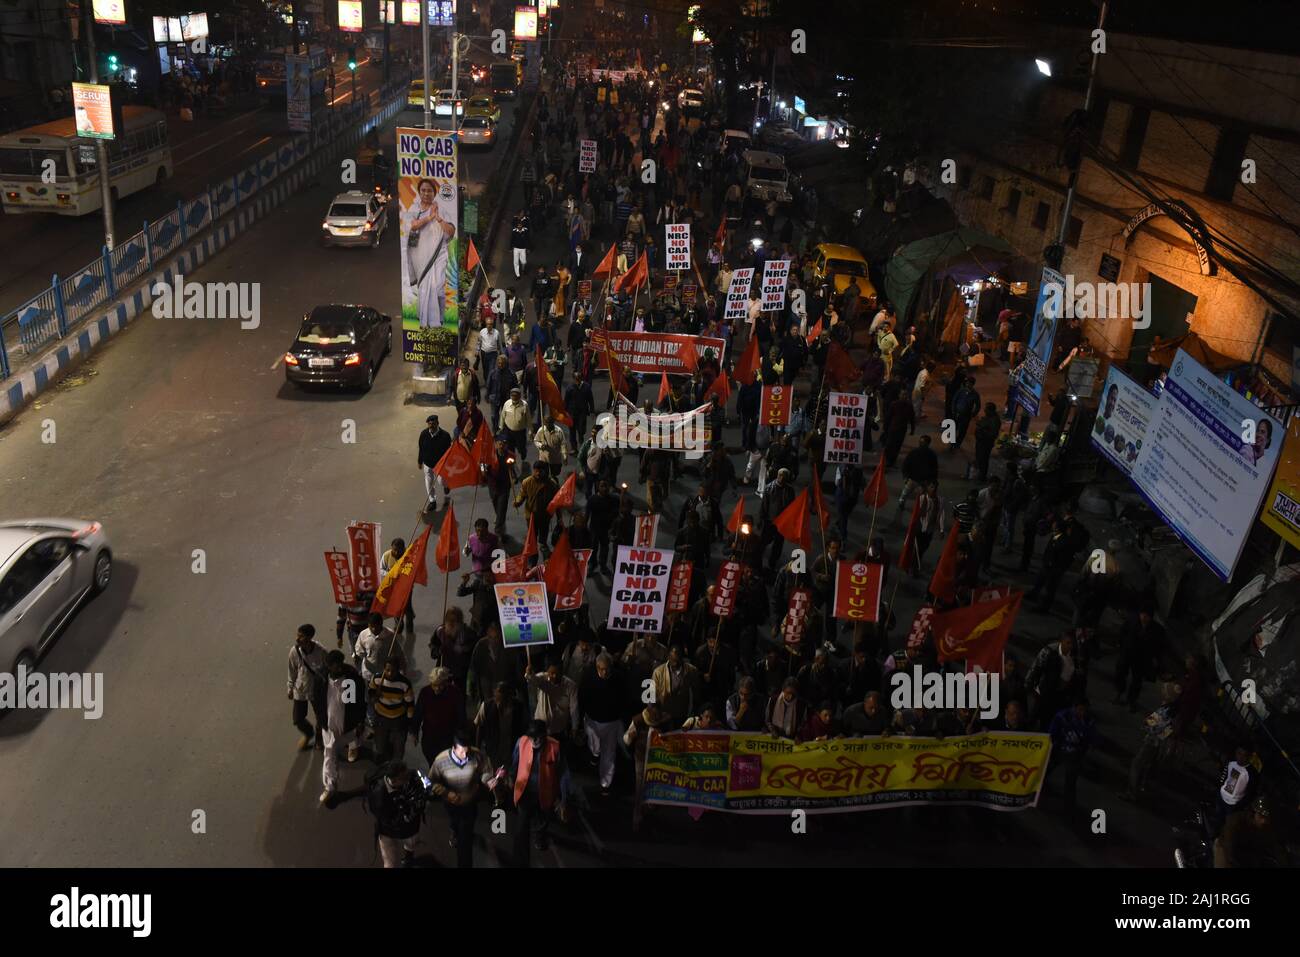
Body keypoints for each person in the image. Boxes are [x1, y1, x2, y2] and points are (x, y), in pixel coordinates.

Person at [427, 731, 502, 867]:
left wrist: (488, 780)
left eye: (467, 751)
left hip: (470, 803)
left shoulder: (477, 755)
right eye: (461, 752)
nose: (465, 755)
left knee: (465, 841)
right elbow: (430, 781)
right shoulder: (440, 760)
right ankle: (454, 830)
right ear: (453, 748)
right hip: (451, 803)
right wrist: (445, 792)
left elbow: (485, 771)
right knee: (455, 824)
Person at [509, 719, 572, 865]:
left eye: (537, 736)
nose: (534, 740)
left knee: (541, 821)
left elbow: (563, 774)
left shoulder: (555, 747)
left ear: (545, 734)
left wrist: (563, 799)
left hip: (545, 794)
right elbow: (514, 763)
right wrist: (510, 778)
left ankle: (539, 836)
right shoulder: (521, 742)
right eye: (532, 737)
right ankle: (521, 861)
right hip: (524, 792)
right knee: (521, 829)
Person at [404, 178, 456, 329]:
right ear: (419, 192)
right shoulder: (414, 209)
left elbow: (451, 232)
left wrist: (438, 218)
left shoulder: (442, 210)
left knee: (437, 287)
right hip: (420, 256)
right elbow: (413, 226)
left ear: (434, 193)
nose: (426, 193)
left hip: (438, 255)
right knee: (426, 288)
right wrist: (429, 217)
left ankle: (436, 320)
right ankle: (428, 322)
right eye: (423, 190)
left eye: (429, 191)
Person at [320, 650, 366, 804]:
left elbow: (354, 704)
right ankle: (330, 786)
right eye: (335, 666)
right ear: (328, 666)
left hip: (346, 724)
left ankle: (354, 744)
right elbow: (317, 702)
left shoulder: (349, 680)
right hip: (329, 725)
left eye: (340, 665)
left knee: (352, 737)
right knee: (329, 753)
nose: (339, 668)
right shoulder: (321, 678)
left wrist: (359, 722)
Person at [578, 653, 625, 795]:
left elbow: (624, 697)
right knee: (596, 748)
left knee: (609, 753)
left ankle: (606, 783)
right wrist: (580, 720)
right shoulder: (588, 677)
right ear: (597, 667)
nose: (605, 672)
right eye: (602, 669)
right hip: (593, 721)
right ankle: (594, 755)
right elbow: (582, 698)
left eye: (607, 669)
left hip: (612, 722)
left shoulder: (618, 678)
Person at [365, 761, 427, 868]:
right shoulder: (379, 795)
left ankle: (409, 856)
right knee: (390, 864)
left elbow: (426, 783)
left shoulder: (409, 775)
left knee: (411, 842)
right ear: (393, 780)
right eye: (404, 778)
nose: (409, 778)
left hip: (410, 827)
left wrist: (426, 789)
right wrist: (406, 811)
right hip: (388, 832)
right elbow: (387, 819)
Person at [1026, 631, 1087, 729]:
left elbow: (1078, 674)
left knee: (1051, 720)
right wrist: (1031, 685)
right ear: (1061, 641)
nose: (1070, 646)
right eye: (1068, 643)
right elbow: (1036, 667)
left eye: (1072, 643)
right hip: (1045, 691)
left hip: (1061, 695)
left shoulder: (1075, 656)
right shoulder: (1049, 651)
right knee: (1036, 715)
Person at [1046, 698, 1096, 816]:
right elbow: (1052, 732)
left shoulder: (1088, 720)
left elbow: (1093, 735)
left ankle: (1069, 807)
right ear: (1074, 707)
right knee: (1046, 770)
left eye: (1085, 710)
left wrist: (1092, 743)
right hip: (1059, 750)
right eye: (1080, 710)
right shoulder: (1062, 716)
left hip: (1075, 754)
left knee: (1070, 782)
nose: (1082, 713)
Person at [1114, 604, 1165, 713]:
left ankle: (1131, 700)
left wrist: (1155, 658)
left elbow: (1159, 646)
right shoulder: (1132, 621)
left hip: (1142, 658)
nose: (1143, 617)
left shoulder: (1157, 630)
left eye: (1146, 616)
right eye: (1142, 614)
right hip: (1128, 653)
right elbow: (1123, 631)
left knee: (1137, 680)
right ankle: (1119, 692)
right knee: (1121, 672)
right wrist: (1120, 645)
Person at [413, 666, 465, 767]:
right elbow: (418, 712)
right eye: (434, 685)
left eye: (440, 685)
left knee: (445, 763)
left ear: (446, 683)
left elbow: (461, 715)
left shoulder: (454, 693)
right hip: (429, 735)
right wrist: (414, 731)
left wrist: (461, 732)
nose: (437, 688)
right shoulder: (425, 692)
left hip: (448, 736)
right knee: (432, 762)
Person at [287, 624, 328, 751]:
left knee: (321, 716)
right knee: (298, 719)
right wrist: (290, 687)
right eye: (297, 635)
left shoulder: (321, 651)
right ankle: (309, 733)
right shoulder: (294, 651)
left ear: (310, 637)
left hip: (317, 689)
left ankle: (319, 739)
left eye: (301, 636)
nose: (297, 639)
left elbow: (328, 669)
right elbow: (292, 670)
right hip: (301, 689)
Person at [369, 655, 415, 764]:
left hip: (398, 719)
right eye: (387, 670)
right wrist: (375, 695)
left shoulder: (404, 683)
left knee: (398, 749)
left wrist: (409, 723)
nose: (389, 673)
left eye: (393, 671)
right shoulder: (377, 678)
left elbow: (410, 705)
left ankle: (395, 769)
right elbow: (371, 693)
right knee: (380, 747)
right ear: (384, 668)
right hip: (381, 718)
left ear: (398, 670)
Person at [526, 658, 580, 739]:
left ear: (562, 672)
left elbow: (574, 708)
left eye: (557, 673)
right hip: (541, 729)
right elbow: (532, 679)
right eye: (551, 673)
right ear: (547, 671)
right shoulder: (542, 678)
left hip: (559, 730)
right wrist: (529, 674)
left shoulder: (571, 686)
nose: (554, 676)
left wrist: (575, 727)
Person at [516, 462, 559, 559]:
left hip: (545, 516)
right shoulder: (527, 482)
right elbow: (522, 495)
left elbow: (556, 501)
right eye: (536, 471)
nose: (538, 473)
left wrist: (559, 517)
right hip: (531, 516)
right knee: (532, 538)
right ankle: (533, 559)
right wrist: (517, 501)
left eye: (540, 471)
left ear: (545, 471)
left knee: (543, 538)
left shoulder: (551, 484)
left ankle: (546, 559)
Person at [653, 645, 703, 729]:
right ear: (668, 656)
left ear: (682, 658)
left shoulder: (691, 671)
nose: (674, 662)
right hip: (663, 715)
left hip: (683, 715)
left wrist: (693, 715)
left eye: (677, 660)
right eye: (672, 659)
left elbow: (696, 694)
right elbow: (651, 695)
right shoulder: (658, 672)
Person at [418, 414, 452, 510]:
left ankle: (446, 486)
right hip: (428, 464)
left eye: (433, 424)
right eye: (429, 424)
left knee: (441, 481)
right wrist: (420, 461)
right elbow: (421, 448)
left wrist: (447, 463)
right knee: (429, 483)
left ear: (437, 423)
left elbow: (449, 451)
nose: (431, 426)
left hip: (440, 465)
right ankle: (432, 501)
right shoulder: (424, 434)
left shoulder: (445, 435)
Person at [499, 388, 533, 466]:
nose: (514, 397)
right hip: (509, 431)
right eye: (512, 395)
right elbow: (502, 416)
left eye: (516, 395)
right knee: (510, 448)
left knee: (521, 447)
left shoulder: (524, 405)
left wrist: (530, 430)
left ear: (519, 396)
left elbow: (528, 419)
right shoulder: (507, 404)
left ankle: (523, 453)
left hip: (520, 432)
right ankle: (512, 461)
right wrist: (501, 427)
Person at [534, 414, 569, 482]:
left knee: (555, 473)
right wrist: (541, 445)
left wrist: (565, 456)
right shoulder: (541, 430)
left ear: (553, 422)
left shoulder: (559, 431)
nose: (548, 424)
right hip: (544, 458)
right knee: (545, 475)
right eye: (546, 422)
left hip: (555, 458)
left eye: (549, 422)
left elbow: (563, 444)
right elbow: (536, 441)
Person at [973, 402, 1001, 482]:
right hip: (980, 441)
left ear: (990, 410)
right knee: (979, 458)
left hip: (985, 443)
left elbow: (993, 434)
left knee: (983, 459)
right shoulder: (988, 417)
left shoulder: (995, 420)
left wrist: (982, 430)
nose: (984, 410)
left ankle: (982, 477)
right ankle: (979, 474)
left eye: (986, 409)